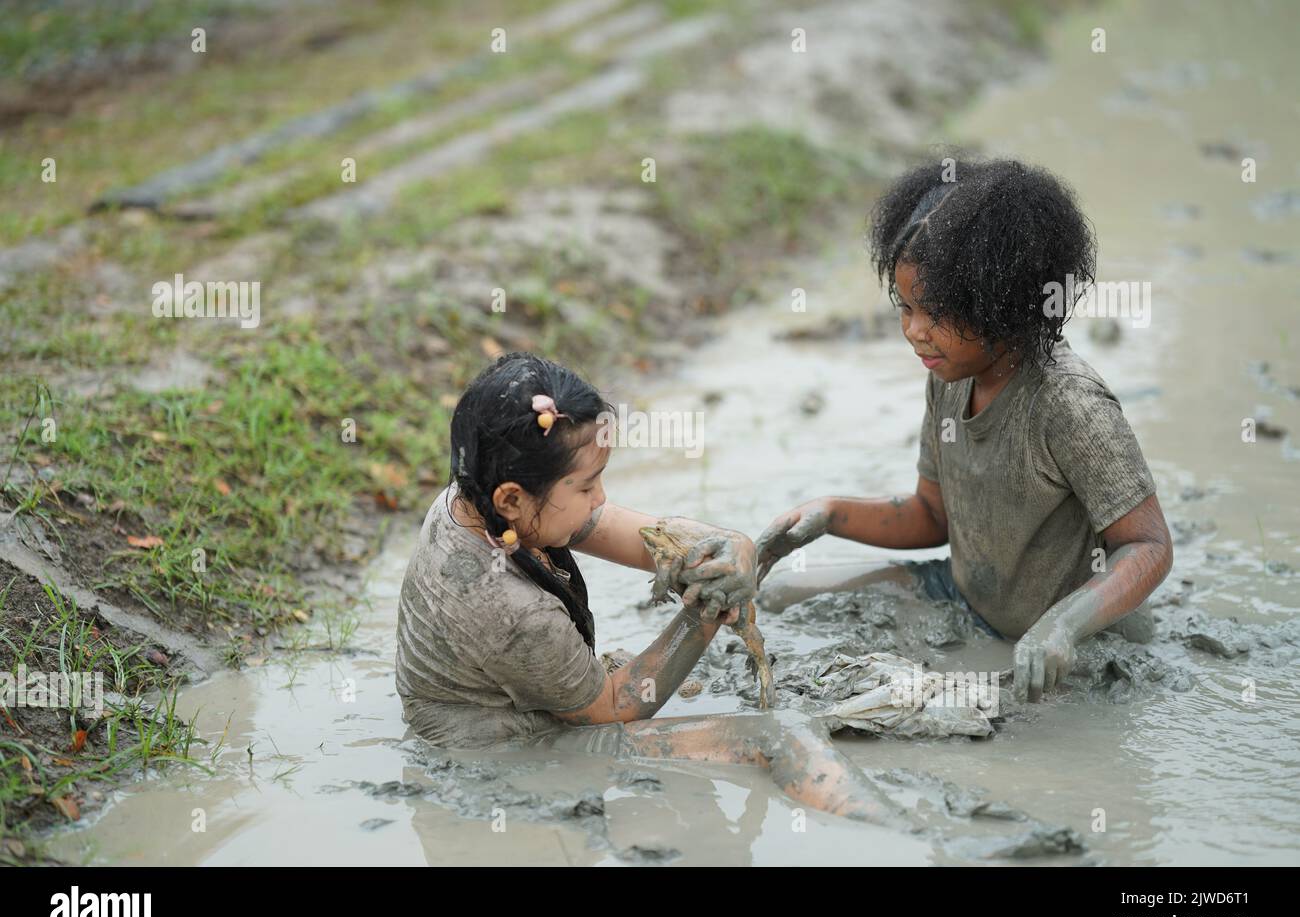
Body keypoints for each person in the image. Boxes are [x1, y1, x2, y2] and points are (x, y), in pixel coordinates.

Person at [395, 352, 903, 826]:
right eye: (588, 484)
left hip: (515, 704)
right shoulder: (506, 605)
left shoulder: (477, 495)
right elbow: (613, 709)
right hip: (509, 759)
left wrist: (728, 545)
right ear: (511, 498)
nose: (602, 497)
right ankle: (902, 836)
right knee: (780, 737)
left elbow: (644, 537)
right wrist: (708, 607)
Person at [753, 158, 1174, 703]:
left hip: (1077, 638)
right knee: (784, 595)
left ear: (1002, 304)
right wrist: (829, 514)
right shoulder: (950, 376)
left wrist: (1064, 626)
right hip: (963, 594)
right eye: (904, 308)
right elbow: (931, 517)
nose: (914, 332)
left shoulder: (1069, 405)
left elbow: (1149, 545)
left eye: (935, 313)